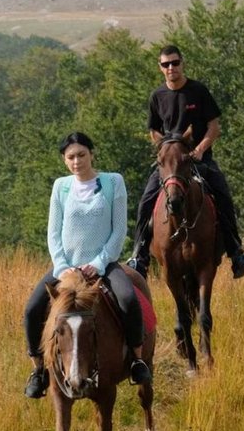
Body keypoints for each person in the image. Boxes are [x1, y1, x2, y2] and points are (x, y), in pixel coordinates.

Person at [23, 132, 152, 399]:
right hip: (66, 267)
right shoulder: (61, 186)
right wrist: (62, 266)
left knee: (128, 300)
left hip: (103, 265)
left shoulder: (113, 182)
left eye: (82, 154)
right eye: (70, 157)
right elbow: (53, 233)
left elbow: (119, 230)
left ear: (92, 154)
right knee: (32, 309)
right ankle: (39, 371)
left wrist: (98, 263)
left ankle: (138, 361)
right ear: (64, 160)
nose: (77, 161)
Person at [127, 43, 244, 280]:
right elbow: (153, 130)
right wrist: (163, 150)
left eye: (175, 63)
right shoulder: (157, 96)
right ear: (160, 67)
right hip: (170, 163)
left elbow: (213, 127)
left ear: (182, 63)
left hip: (198, 159)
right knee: (145, 201)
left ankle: (236, 252)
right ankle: (139, 257)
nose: (171, 68)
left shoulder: (198, 91)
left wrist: (198, 150)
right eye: (166, 64)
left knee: (223, 195)